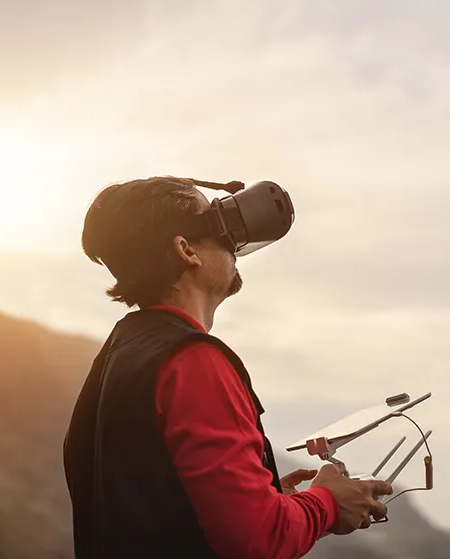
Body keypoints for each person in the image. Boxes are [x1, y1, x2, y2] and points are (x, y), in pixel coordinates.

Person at [63, 176, 392, 559]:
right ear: (186, 250)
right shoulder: (192, 361)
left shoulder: (118, 356)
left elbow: (151, 509)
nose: (234, 244)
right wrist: (328, 504)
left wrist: (267, 499)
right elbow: (257, 540)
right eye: (218, 219)